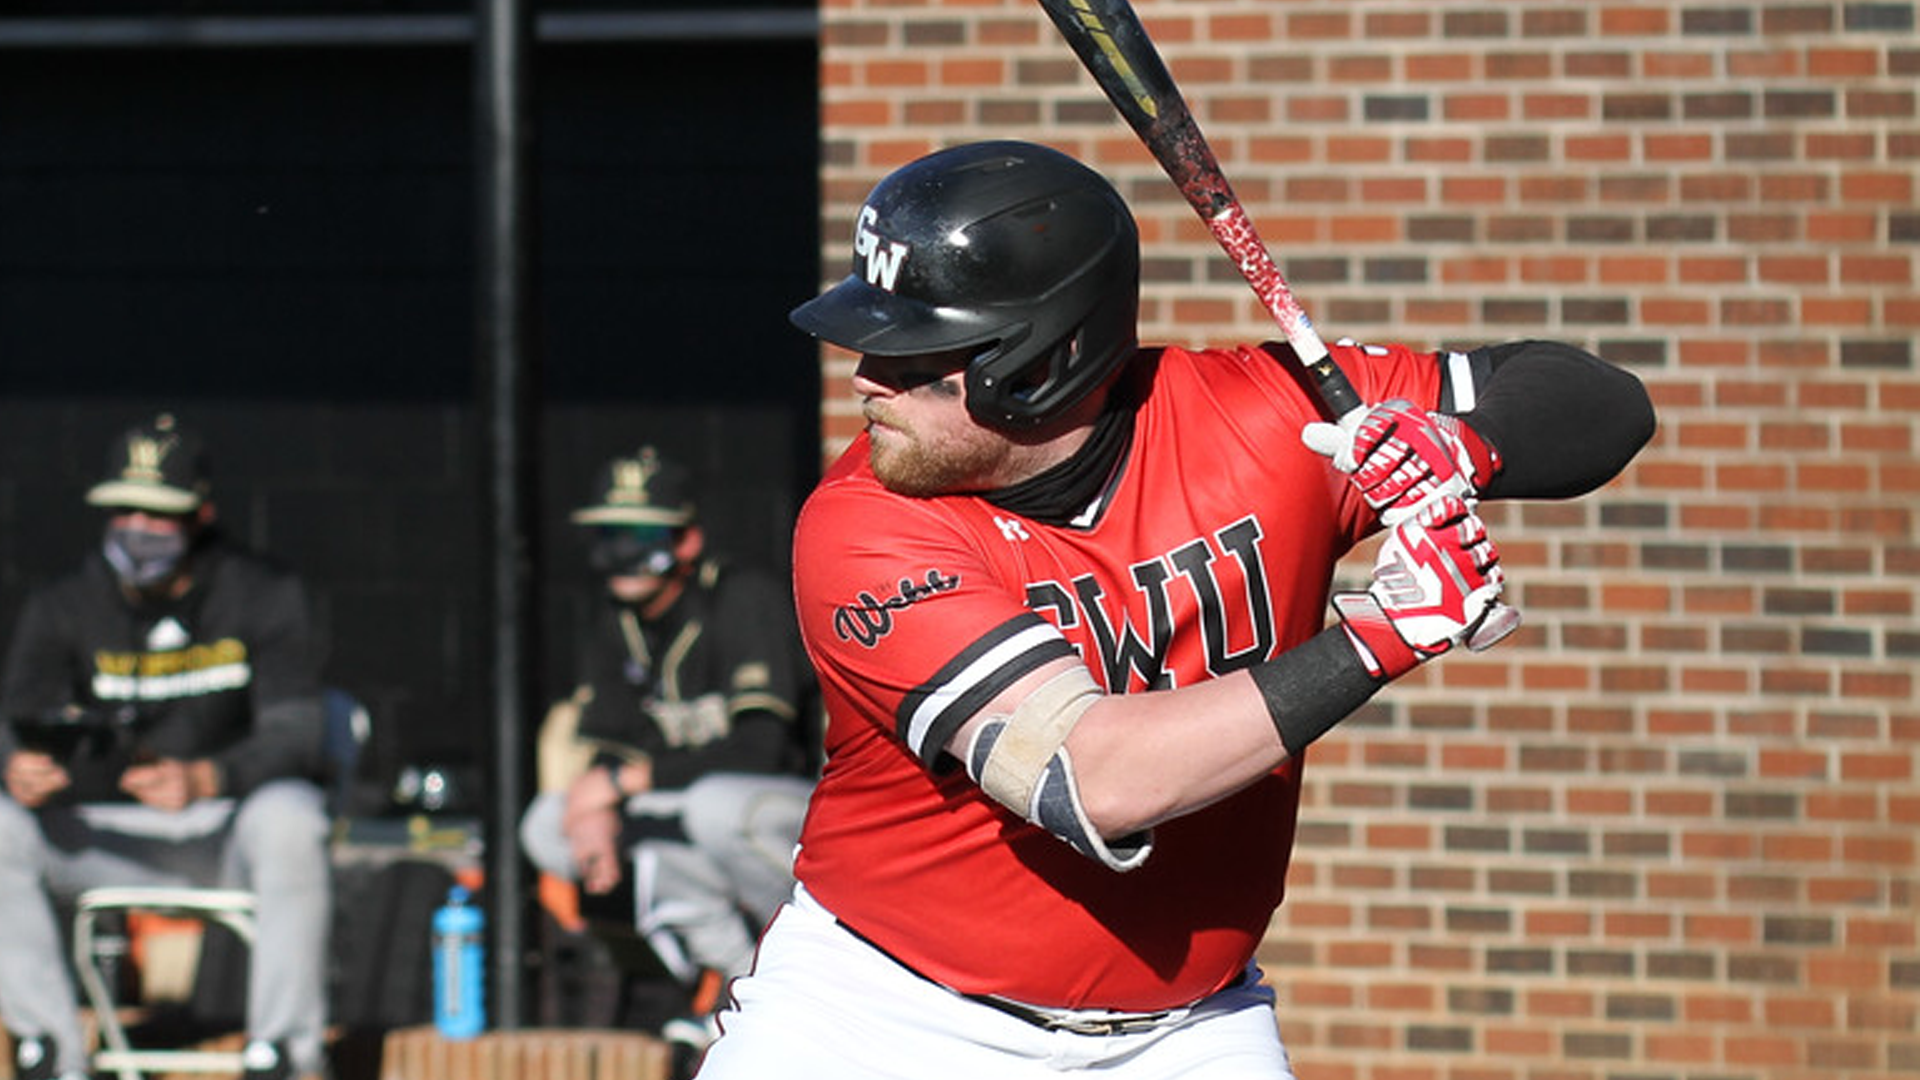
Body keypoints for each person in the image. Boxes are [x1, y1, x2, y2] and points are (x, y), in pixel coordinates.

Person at [695, 140, 1656, 1079]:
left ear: (1040, 363)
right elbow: (1091, 777)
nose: (866, 377)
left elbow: (1598, 399)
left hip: (1183, 1029)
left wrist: (1460, 449)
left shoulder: (1264, 416)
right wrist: (1380, 638)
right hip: (881, 1015)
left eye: (914, 355)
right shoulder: (862, 525)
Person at [0, 413, 333, 1080]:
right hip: (101, 834)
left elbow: (301, 735)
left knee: (295, 819)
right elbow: (14, 719)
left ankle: (285, 1055)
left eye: (158, 515)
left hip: (223, 832)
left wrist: (210, 777)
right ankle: (51, 1054)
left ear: (201, 514)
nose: (137, 530)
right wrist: (16, 766)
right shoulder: (63, 606)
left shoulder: (263, 595)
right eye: (123, 510)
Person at [517, 446, 815, 1056]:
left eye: (641, 532)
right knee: (548, 824)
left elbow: (762, 746)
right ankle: (732, 983)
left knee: (714, 806)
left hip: (782, 810)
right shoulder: (614, 619)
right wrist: (596, 805)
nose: (623, 550)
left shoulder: (740, 598)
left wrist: (623, 784)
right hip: (683, 814)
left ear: (685, 540)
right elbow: (609, 744)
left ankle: (812, 965)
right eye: (611, 533)